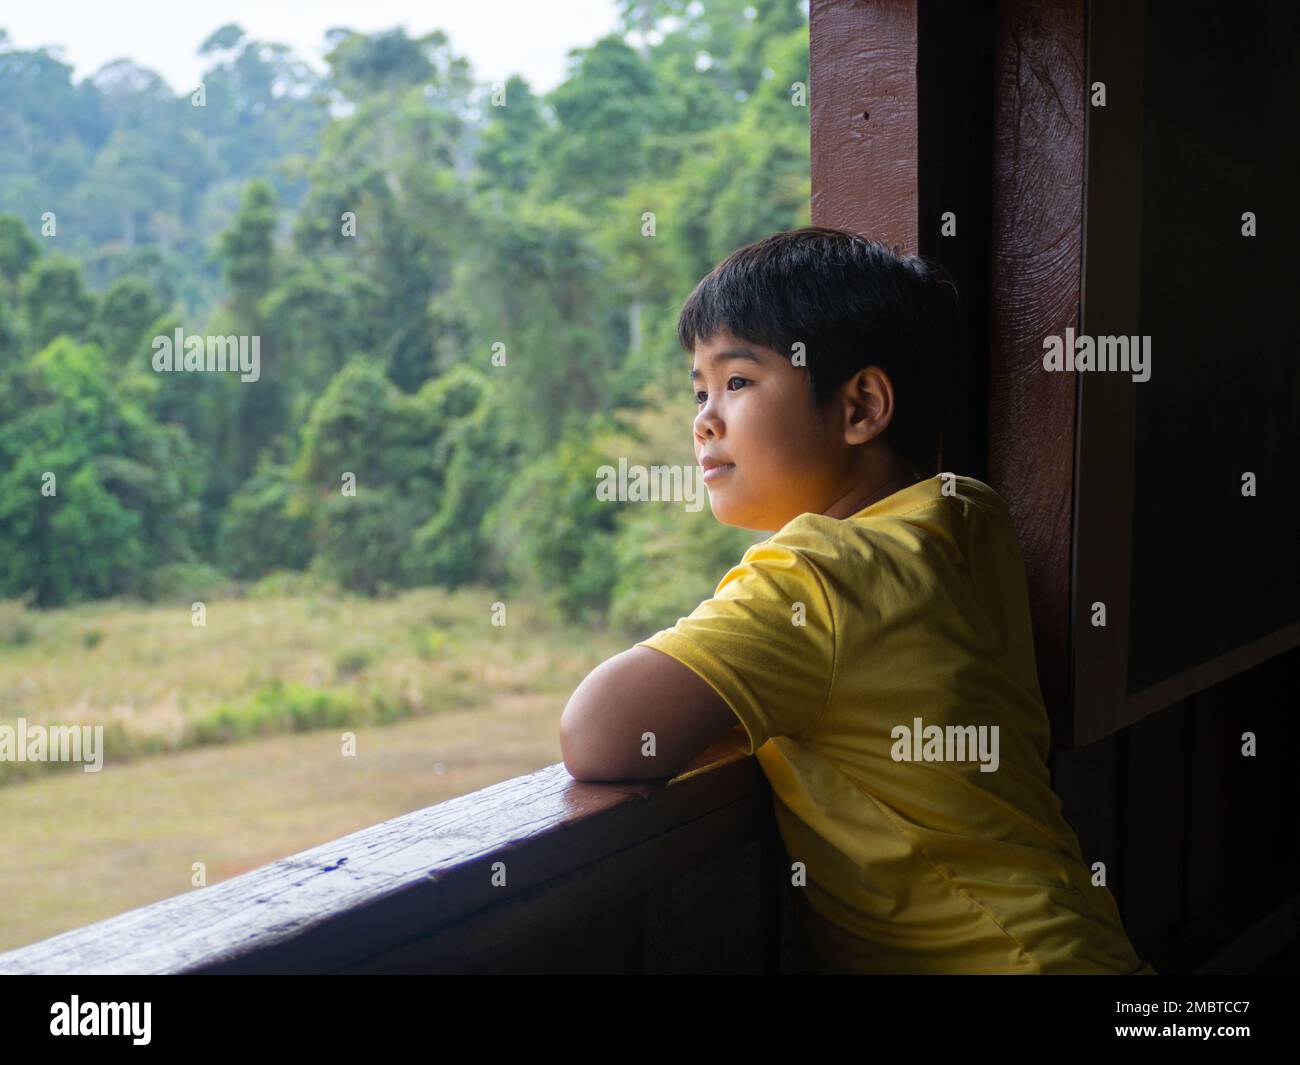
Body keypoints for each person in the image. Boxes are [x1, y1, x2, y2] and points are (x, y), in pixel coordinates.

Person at [559, 226, 1155, 974]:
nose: (703, 419)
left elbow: (599, 732)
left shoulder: (819, 575)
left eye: (738, 381)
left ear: (862, 405)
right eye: (699, 389)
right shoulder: (966, 514)